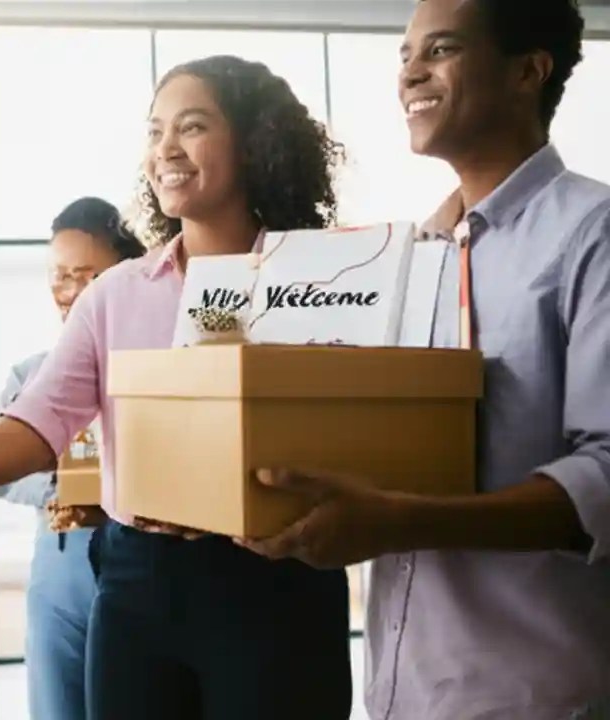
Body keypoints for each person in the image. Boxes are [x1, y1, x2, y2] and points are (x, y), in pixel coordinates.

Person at [0, 56, 352, 718]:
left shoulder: (323, 281)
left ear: (253, 141)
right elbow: (34, 427)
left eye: (192, 126)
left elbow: (354, 429)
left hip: (277, 582)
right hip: (139, 590)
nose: (166, 150)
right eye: (155, 132)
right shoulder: (115, 295)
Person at [236, 1, 610, 718]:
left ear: (529, 70)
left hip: (533, 694)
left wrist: (397, 520)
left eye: (440, 49)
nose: (411, 70)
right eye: (405, 53)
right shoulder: (414, 255)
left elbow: (605, 479)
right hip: (401, 690)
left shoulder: (592, 234)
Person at [0, 197, 143, 720]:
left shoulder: (151, 377)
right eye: (60, 276)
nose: (71, 292)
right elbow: (0, 477)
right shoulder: (30, 374)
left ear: (123, 276)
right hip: (58, 570)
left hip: (134, 563)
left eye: (88, 275)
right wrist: (61, 488)